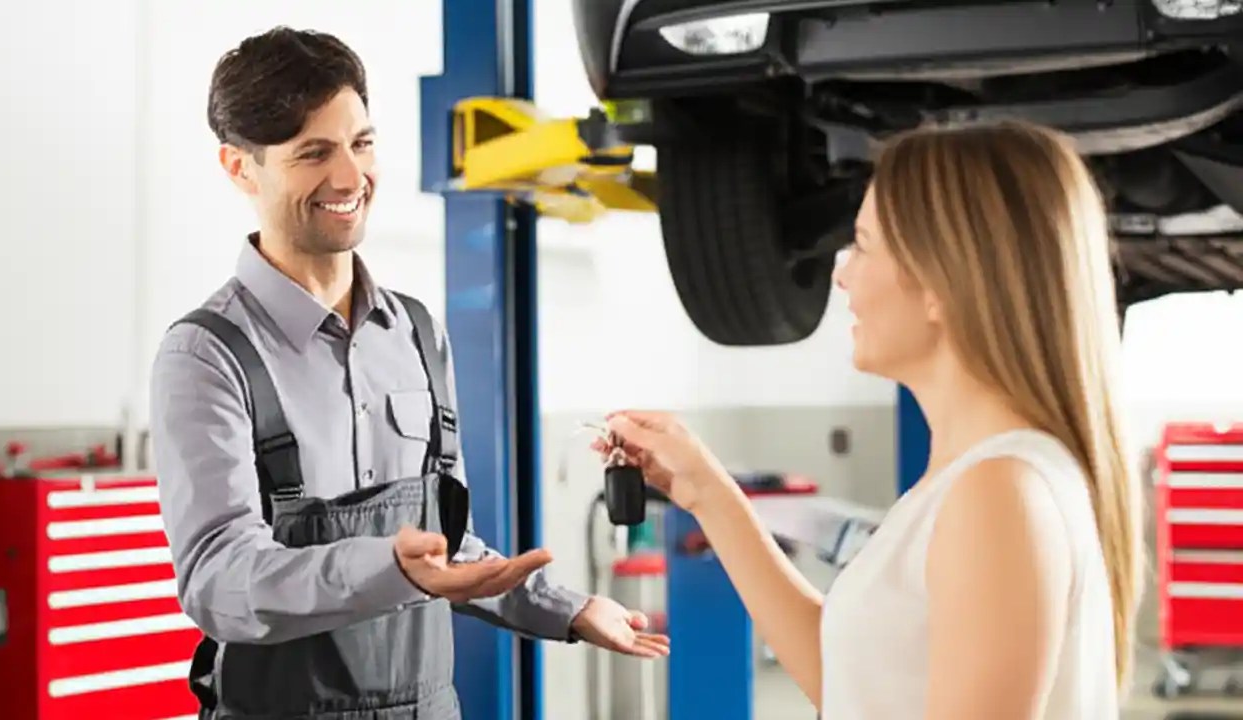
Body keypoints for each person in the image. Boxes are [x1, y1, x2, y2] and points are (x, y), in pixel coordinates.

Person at [149, 27, 667, 720]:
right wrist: (387, 569)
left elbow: (447, 553)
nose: (348, 178)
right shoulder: (207, 355)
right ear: (241, 168)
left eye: (360, 143)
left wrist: (569, 612)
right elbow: (219, 581)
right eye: (314, 153)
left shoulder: (418, 334)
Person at [598, 121, 1141, 719]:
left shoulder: (998, 494)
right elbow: (855, 682)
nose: (841, 273)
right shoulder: (981, 477)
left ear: (939, 282)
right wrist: (707, 491)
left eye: (861, 244)